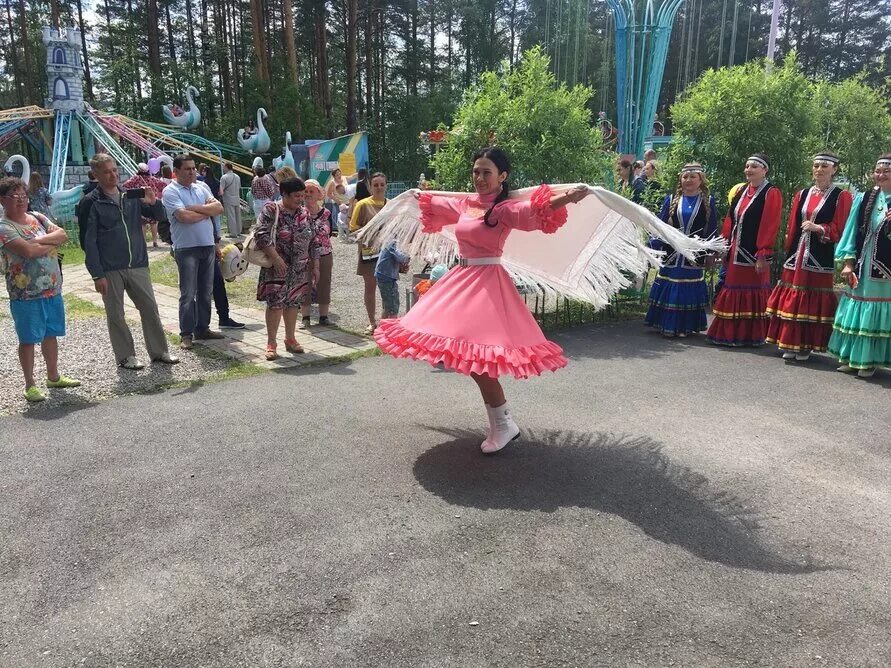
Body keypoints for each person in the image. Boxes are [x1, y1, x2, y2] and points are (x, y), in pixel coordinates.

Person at [368, 147, 590, 454]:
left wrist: (566, 198)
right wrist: (418, 196)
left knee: (482, 361)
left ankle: (503, 425)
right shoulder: (464, 203)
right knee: (471, 359)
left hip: (487, 285)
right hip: (461, 280)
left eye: (487, 172)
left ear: (503, 176)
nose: (479, 178)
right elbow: (435, 206)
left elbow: (528, 214)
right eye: (476, 172)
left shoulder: (501, 210)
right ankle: (503, 423)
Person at [82, 154, 179, 369]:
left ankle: (159, 351)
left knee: (150, 308)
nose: (112, 175)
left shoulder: (130, 196)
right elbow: (88, 242)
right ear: (96, 175)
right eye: (106, 171)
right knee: (116, 314)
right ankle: (126, 356)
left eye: (114, 170)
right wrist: (97, 274)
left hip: (137, 263)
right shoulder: (90, 202)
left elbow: (161, 216)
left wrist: (154, 203)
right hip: (110, 268)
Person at [765, 152, 853, 361]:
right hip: (797, 254)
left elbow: (842, 228)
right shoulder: (802, 194)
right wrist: (789, 248)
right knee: (792, 296)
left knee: (811, 298)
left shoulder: (841, 196)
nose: (819, 170)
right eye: (816, 166)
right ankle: (789, 342)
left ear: (834, 170)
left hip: (819, 256)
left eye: (824, 166)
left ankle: (805, 345)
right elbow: (794, 225)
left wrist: (819, 228)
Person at [0, 177, 81, 402]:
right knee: (28, 338)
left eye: (24, 196)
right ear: (2, 200)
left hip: (52, 288)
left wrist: (38, 242)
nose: (21, 201)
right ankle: (30, 384)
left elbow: (63, 234)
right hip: (25, 293)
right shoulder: (4, 227)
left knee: (51, 333)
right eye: (14, 197)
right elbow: (27, 251)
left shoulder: (37, 217)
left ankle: (53, 376)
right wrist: (46, 243)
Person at [706, 154, 783, 346]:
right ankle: (730, 334)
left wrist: (763, 253)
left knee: (752, 292)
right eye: (747, 166)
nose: (749, 170)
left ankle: (751, 336)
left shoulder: (771, 193)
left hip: (754, 254)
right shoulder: (741, 191)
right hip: (735, 253)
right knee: (731, 289)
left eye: (754, 167)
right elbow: (730, 220)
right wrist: (722, 246)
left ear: (765, 170)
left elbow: (769, 224)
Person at [827, 154, 891, 378]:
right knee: (855, 308)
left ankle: (868, 361)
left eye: (886, 171)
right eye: (878, 171)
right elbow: (851, 232)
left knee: (876, 311)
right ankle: (850, 358)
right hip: (862, 265)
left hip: (886, 270)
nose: (880, 175)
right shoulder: (864, 198)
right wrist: (848, 262)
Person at [645, 163, 718, 337]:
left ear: (701, 180)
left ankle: (684, 326)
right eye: (685, 177)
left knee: (686, 287)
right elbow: (660, 225)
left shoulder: (708, 202)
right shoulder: (671, 200)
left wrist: (710, 254)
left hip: (693, 254)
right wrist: (652, 249)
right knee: (671, 283)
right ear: (680, 179)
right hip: (672, 252)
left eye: (693, 177)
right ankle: (666, 325)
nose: (688, 180)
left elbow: (712, 229)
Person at [161, 154, 226, 350]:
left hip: (206, 245)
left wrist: (195, 208)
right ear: (177, 171)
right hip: (186, 248)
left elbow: (219, 207)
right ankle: (186, 334)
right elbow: (183, 217)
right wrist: (206, 211)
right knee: (188, 293)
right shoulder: (170, 191)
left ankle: (203, 328)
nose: (192, 172)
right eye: (187, 169)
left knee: (206, 291)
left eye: (193, 168)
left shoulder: (202, 187)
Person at [254, 177, 320, 360]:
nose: (300, 199)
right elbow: (261, 234)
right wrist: (275, 258)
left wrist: (315, 265)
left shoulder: (305, 213)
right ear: (284, 194)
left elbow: (314, 240)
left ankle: (290, 339)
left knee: (293, 303)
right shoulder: (271, 209)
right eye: (296, 196)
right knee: (275, 304)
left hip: (299, 268)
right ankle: (271, 343)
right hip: (277, 267)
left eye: (302, 195)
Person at [349, 172, 389, 333]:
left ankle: (387, 322)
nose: (379, 188)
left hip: (387, 254)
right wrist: (369, 233)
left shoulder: (391, 205)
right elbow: (353, 229)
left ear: (386, 186)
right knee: (370, 287)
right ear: (370, 187)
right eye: (375, 185)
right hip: (369, 253)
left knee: (387, 288)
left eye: (381, 184)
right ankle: (372, 322)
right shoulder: (363, 205)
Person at [302, 179, 334, 327]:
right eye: (306, 191)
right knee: (305, 283)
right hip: (305, 255)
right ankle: (306, 317)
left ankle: (323, 316)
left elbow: (330, 232)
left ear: (318, 194)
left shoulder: (326, 213)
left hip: (325, 253)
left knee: (324, 283)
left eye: (311, 191)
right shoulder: (300, 212)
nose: (308, 194)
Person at [123, 162, 168, 248]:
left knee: (143, 223)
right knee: (153, 222)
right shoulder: (152, 179)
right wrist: (157, 194)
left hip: (140, 201)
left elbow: (125, 186)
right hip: (152, 201)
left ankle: (144, 242)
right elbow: (163, 185)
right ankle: (155, 241)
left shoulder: (135, 178)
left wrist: (135, 191)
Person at [374, 241, 411, 319]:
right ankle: (390, 328)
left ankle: (382, 328)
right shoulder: (392, 242)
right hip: (386, 277)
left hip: (385, 276)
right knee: (393, 308)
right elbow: (402, 257)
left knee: (387, 307)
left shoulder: (392, 240)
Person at [219, 162, 242, 238]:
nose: (223, 168)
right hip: (237, 197)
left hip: (228, 198)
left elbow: (221, 191)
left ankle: (233, 233)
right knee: (237, 215)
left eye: (223, 167)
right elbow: (239, 187)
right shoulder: (237, 176)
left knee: (231, 216)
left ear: (226, 167)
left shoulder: (224, 177)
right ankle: (239, 231)